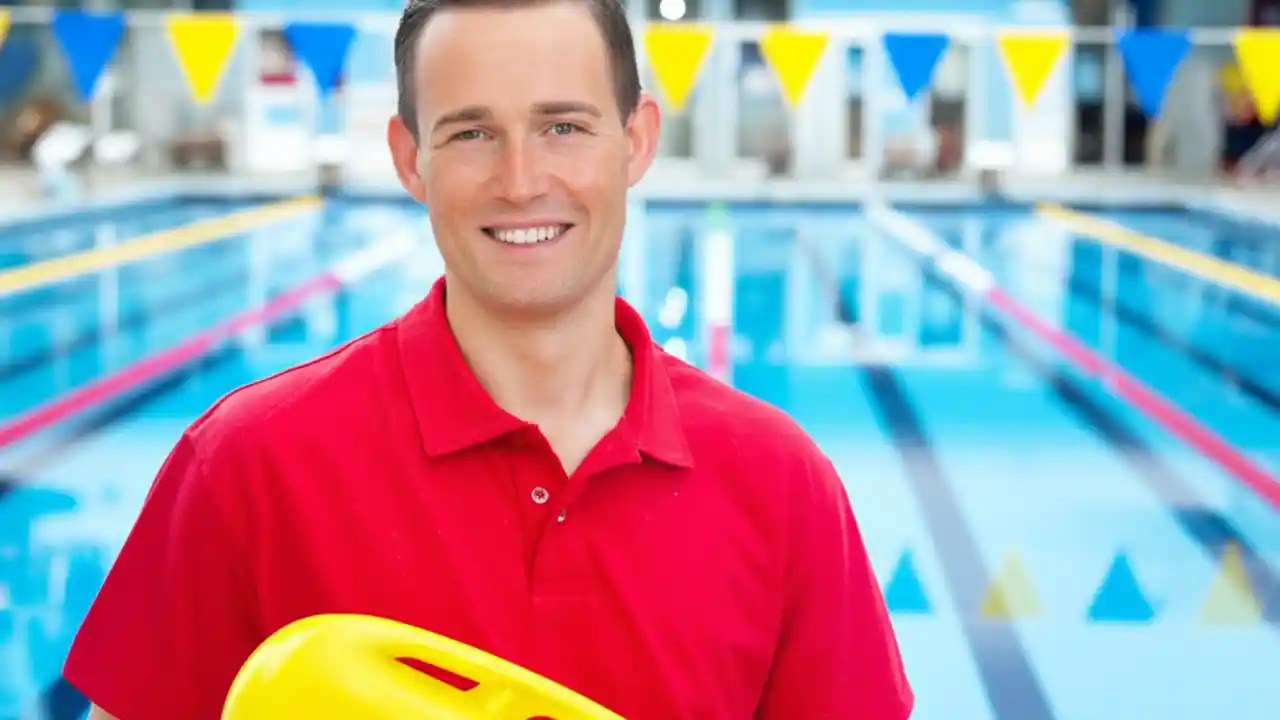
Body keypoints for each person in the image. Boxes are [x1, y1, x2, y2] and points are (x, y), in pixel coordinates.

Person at [63, 0, 913, 717]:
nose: (520, 180)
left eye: (563, 126)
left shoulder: (778, 481)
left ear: (637, 141)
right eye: (472, 133)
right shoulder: (250, 464)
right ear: (410, 159)